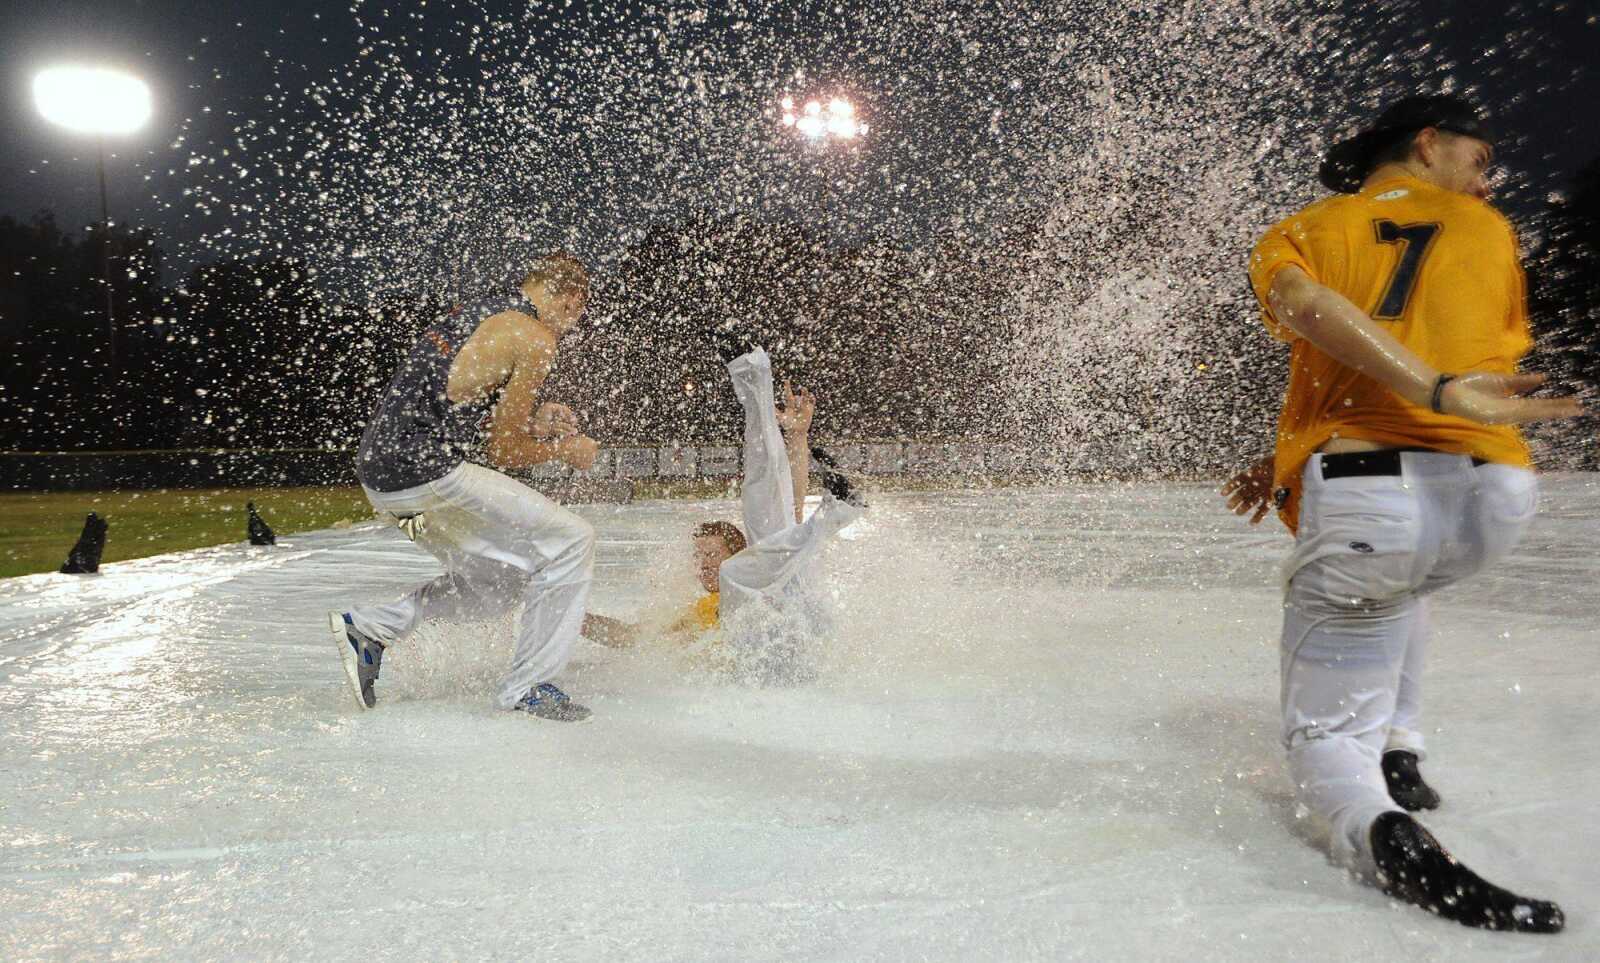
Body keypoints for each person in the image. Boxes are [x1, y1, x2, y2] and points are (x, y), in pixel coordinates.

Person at [1246, 94, 1583, 932]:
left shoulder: (1309, 226)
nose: (1486, 173)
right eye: (1479, 155)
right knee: (1404, 583)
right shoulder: (1489, 229)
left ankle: (1376, 826)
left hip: (1369, 488)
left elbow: (1313, 311)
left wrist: (1424, 393)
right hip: (1496, 494)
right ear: (1428, 144)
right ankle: (1403, 747)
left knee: (1327, 729)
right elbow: (1452, 338)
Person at [329, 252, 602, 721]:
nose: (572, 326)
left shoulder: (483, 310)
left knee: (500, 584)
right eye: (578, 312)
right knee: (573, 540)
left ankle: (370, 628)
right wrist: (565, 449)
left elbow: (456, 396)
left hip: (385, 488)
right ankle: (529, 687)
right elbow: (504, 452)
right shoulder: (534, 335)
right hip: (426, 476)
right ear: (571, 297)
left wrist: (537, 422)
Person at [583, 339, 864, 683]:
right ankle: (752, 376)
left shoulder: (746, 573)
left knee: (771, 537)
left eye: (713, 554)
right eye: (699, 556)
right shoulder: (702, 612)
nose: (704, 564)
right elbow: (634, 638)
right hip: (769, 665)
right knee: (775, 528)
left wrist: (797, 440)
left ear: (739, 550)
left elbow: (787, 507)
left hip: (795, 636)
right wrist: (574, 618)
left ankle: (752, 377)